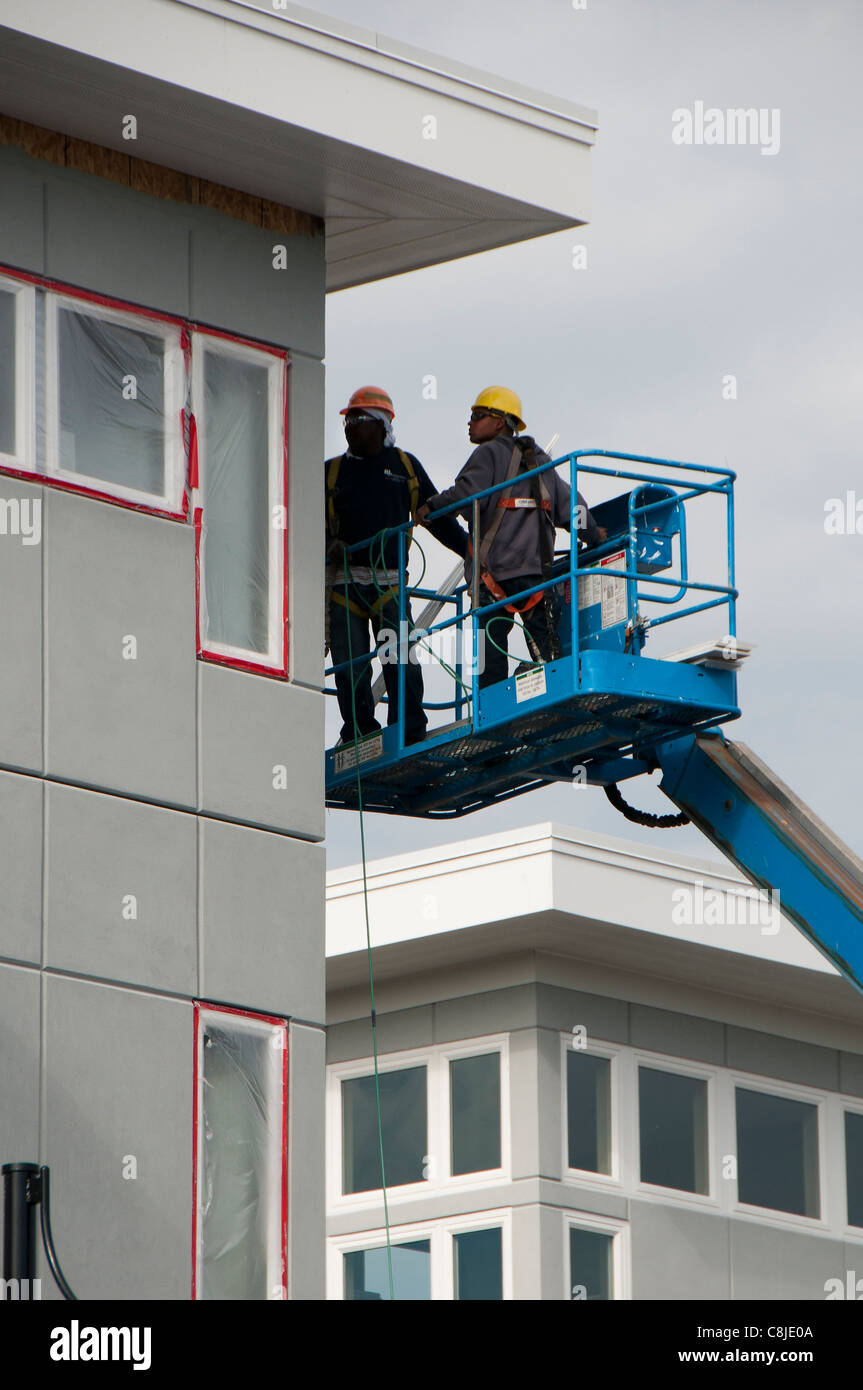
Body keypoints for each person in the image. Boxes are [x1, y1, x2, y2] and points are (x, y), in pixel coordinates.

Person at [416, 386, 606, 690]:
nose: (470, 423)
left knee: (490, 654)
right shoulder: (540, 462)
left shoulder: (487, 453)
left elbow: (466, 494)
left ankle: (490, 708)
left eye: (478, 416)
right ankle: (556, 691)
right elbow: (571, 507)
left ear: (500, 422)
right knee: (547, 649)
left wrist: (431, 507)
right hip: (535, 577)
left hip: (494, 579)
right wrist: (594, 533)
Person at [326, 386, 467, 745]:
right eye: (348, 420)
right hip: (344, 586)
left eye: (359, 420)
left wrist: (470, 550)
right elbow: (303, 527)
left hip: (389, 585)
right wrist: (329, 544)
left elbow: (436, 516)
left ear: (381, 425)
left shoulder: (404, 467)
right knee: (351, 667)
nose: (349, 427)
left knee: (400, 660)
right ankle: (359, 735)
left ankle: (407, 730)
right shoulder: (331, 474)